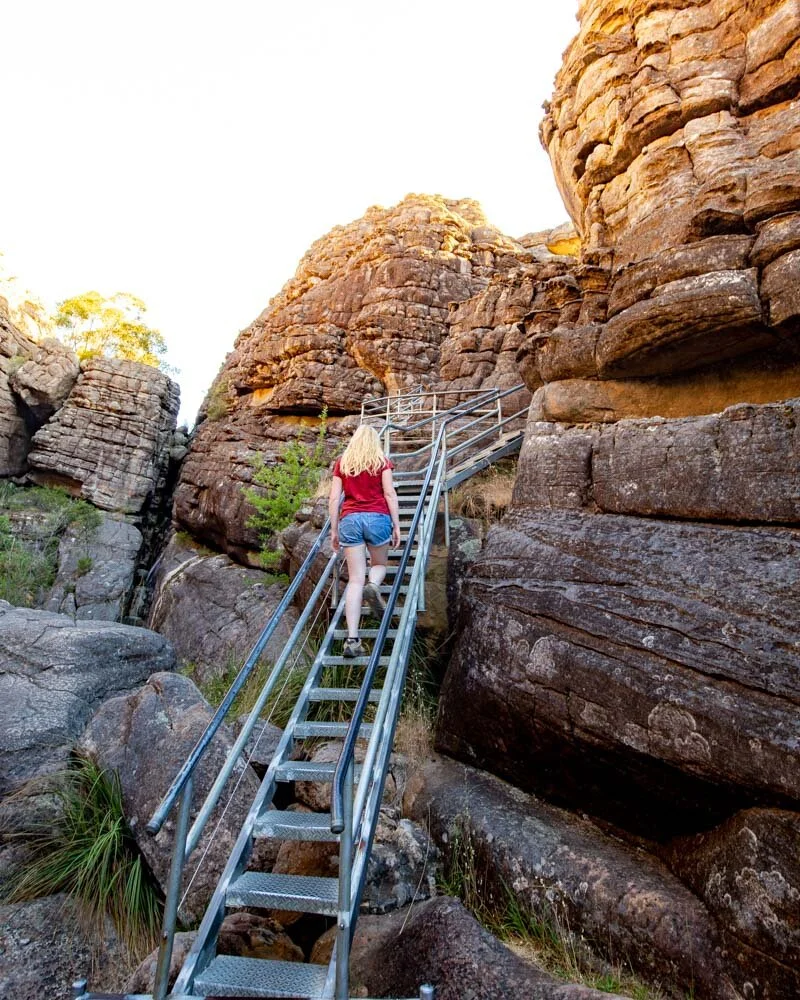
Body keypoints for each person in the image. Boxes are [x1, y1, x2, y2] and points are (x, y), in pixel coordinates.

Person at [329, 424, 401, 657]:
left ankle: (352, 640)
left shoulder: (343, 463)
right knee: (378, 565)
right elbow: (389, 493)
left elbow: (333, 499)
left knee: (354, 580)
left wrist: (334, 530)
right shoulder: (382, 462)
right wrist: (397, 525)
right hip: (378, 517)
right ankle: (375, 586)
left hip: (350, 519)